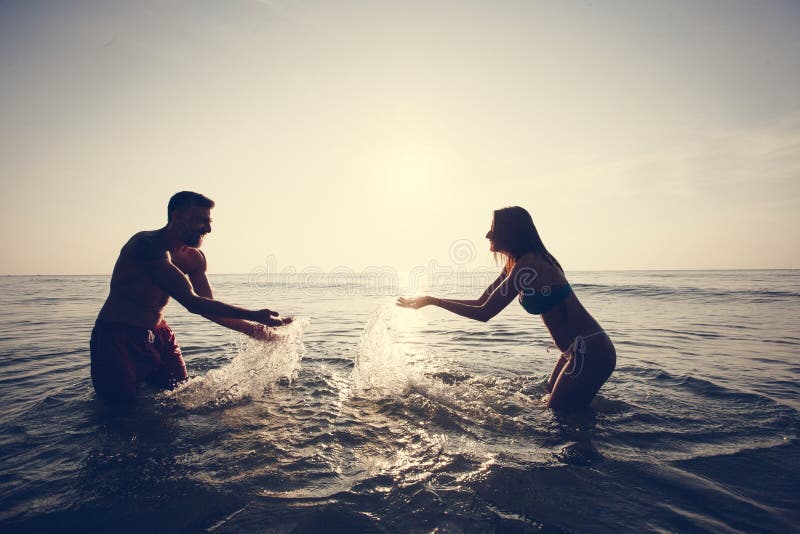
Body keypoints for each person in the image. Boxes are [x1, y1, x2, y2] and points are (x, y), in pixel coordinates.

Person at [397, 206, 615, 410]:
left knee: (560, 416)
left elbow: (485, 313)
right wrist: (431, 299)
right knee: (550, 399)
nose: (487, 235)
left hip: (589, 351)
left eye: (493, 229)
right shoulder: (516, 264)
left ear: (511, 233)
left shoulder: (529, 264)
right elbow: (482, 301)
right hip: (575, 351)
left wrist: (434, 302)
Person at [91, 191, 291, 403]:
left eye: (209, 221)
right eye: (201, 221)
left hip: (160, 336)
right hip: (117, 337)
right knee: (119, 413)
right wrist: (254, 315)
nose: (208, 229)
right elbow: (192, 302)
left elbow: (208, 306)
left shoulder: (193, 258)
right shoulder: (147, 246)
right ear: (177, 217)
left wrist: (255, 330)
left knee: (177, 399)